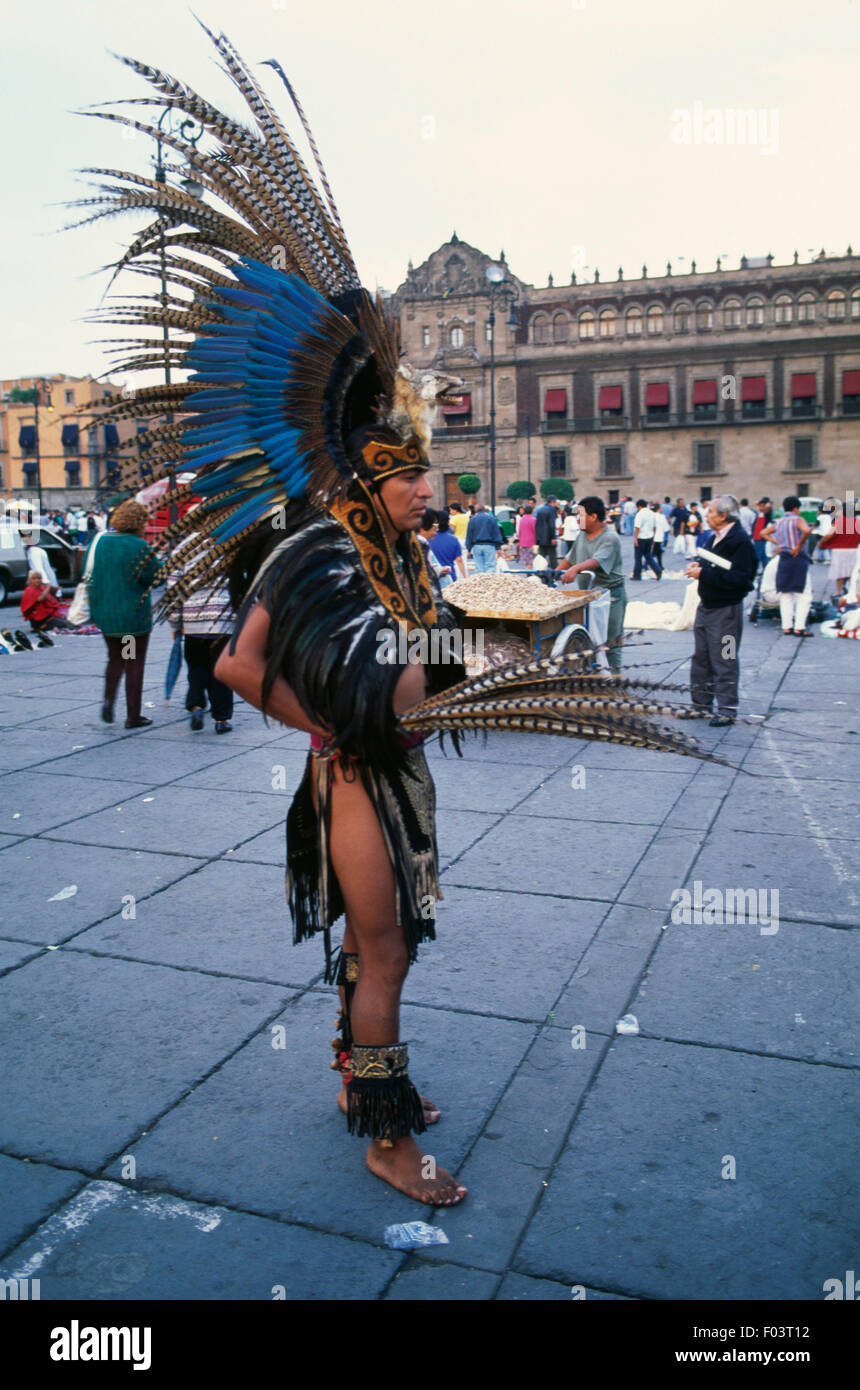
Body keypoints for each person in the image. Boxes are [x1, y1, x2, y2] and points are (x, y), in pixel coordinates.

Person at [79, 29, 724, 1212]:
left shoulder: (402, 557)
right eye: (416, 474)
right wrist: (325, 732)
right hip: (355, 777)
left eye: (432, 475)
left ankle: (352, 1077)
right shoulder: (319, 543)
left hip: (400, 771)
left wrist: (491, 644)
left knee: (397, 941)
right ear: (370, 472)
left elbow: (413, 658)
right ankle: (383, 1131)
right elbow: (234, 664)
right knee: (382, 948)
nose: (436, 490)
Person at [86, 499, 162, 729]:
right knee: (133, 662)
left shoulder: (99, 541)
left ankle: (109, 701)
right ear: (138, 522)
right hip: (131, 620)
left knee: (115, 659)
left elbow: (86, 572)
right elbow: (155, 576)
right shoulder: (138, 546)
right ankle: (133, 716)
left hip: (106, 616)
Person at [685, 495, 756, 725]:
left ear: (724, 516)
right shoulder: (714, 537)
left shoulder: (740, 541)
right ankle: (701, 706)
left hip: (727, 611)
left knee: (726, 658)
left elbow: (741, 579)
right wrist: (699, 566)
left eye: (711, 512)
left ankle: (726, 709)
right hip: (707, 606)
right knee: (701, 659)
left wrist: (703, 574)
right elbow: (710, 563)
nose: (706, 515)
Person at [167, 537, 235, 732]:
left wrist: (175, 623)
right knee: (221, 671)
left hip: (192, 620)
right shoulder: (230, 541)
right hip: (223, 620)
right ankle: (221, 720)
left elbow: (174, 589)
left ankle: (196, 706)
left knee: (196, 666)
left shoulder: (184, 546)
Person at [557, 495, 627, 672]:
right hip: (587, 597)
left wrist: (576, 569)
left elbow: (596, 561)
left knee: (611, 642)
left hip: (611, 596)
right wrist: (553, 575)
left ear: (593, 516)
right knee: (589, 642)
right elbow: (569, 559)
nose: (577, 519)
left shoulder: (610, 538)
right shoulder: (582, 536)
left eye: (580, 515)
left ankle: (615, 683)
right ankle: (595, 679)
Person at [760, 496, 812, 635]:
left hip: (784, 558)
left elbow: (763, 533)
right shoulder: (797, 519)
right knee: (804, 593)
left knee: (786, 593)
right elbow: (806, 531)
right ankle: (799, 627)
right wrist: (799, 545)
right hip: (797, 557)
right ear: (796, 508)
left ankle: (786, 626)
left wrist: (778, 543)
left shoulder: (779, 522)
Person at [816, 498, 859, 601]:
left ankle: (838, 592)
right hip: (853, 550)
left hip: (839, 550)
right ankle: (852, 591)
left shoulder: (839, 521)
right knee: (852, 572)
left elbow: (829, 535)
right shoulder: (857, 522)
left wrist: (821, 542)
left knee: (840, 572)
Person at [19, 570, 76, 643]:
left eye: (39, 578)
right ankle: (39, 627)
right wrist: (47, 588)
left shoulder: (42, 588)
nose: (37, 580)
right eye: (34, 578)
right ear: (29, 580)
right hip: (41, 620)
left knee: (70, 622)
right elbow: (40, 599)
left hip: (49, 616)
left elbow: (51, 598)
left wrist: (54, 589)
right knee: (67, 625)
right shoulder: (30, 590)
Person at [429, 508, 465, 586]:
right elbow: (459, 560)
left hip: (433, 577)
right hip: (450, 576)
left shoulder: (427, 539)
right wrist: (465, 577)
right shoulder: (453, 539)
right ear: (447, 522)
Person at [465, 503, 504, 573]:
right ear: (484, 510)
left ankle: (480, 582)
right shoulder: (491, 519)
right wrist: (498, 547)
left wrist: (469, 549)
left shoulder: (472, 520)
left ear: (475, 510)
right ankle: (488, 582)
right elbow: (496, 533)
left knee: (479, 566)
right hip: (489, 545)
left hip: (476, 545)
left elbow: (469, 535)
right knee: (490, 566)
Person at [416, 509, 450, 589]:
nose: (437, 530)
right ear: (422, 527)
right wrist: (439, 571)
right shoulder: (419, 545)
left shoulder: (423, 544)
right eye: (435, 526)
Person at [632, 498, 662, 580]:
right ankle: (657, 570)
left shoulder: (640, 514)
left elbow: (637, 527)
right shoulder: (652, 513)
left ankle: (637, 575)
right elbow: (655, 527)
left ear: (639, 506)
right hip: (649, 537)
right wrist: (653, 537)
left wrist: (635, 538)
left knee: (638, 557)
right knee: (648, 556)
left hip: (641, 537)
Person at [535, 494, 558, 566]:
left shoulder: (540, 509)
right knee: (553, 558)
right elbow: (552, 525)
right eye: (556, 502)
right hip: (549, 538)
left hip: (540, 538)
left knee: (541, 558)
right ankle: (556, 575)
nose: (556, 504)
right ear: (552, 502)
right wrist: (553, 537)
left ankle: (540, 573)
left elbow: (537, 524)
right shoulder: (551, 510)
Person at [752, 498, 773, 573]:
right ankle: (767, 569)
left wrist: (768, 504)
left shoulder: (767, 514)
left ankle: (755, 570)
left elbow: (768, 508)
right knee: (764, 556)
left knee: (758, 556)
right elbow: (756, 504)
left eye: (762, 506)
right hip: (756, 537)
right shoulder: (759, 514)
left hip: (760, 538)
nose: (760, 507)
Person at [516, 501, 538, 569]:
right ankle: (529, 571)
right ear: (532, 511)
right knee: (531, 558)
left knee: (526, 558)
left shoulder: (521, 519)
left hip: (523, 542)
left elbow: (520, 531)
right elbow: (535, 530)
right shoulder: (534, 519)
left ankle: (527, 569)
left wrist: (519, 540)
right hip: (531, 541)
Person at [651, 501, 671, 569]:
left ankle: (660, 565)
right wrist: (668, 529)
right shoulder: (661, 516)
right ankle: (648, 564)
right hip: (659, 536)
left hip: (652, 535)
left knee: (658, 552)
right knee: (654, 552)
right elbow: (665, 527)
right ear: (658, 509)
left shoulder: (652, 515)